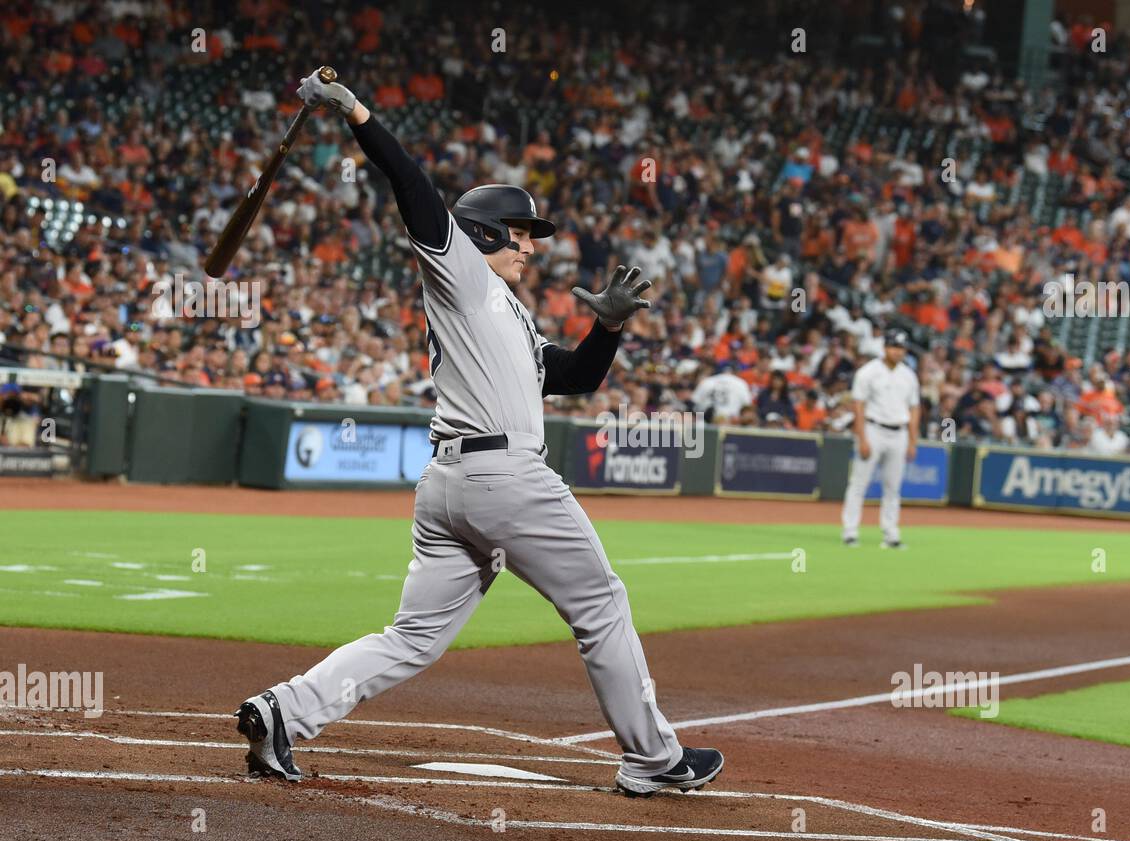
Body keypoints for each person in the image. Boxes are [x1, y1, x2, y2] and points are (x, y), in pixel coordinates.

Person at [235, 69, 723, 798]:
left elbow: (578, 376)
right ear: (487, 232)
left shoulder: (505, 313)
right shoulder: (462, 273)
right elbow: (414, 188)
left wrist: (610, 327)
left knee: (412, 638)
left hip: (450, 490)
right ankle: (653, 758)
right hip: (505, 481)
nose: (532, 248)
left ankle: (284, 712)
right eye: (522, 234)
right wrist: (357, 112)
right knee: (600, 605)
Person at [841, 327, 920, 549]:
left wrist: (913, 440)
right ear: (885, 347)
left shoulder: (909, 375)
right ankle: (850, 531)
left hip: (899, 432)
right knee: (859, 483)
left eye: (901, 348)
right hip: (873, 429)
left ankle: (891, 533)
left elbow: (914, 408)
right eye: (894, 346)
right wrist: (862, 438)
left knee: (893, 487)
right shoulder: (868, 371)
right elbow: (858, 406)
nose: (898, 351)